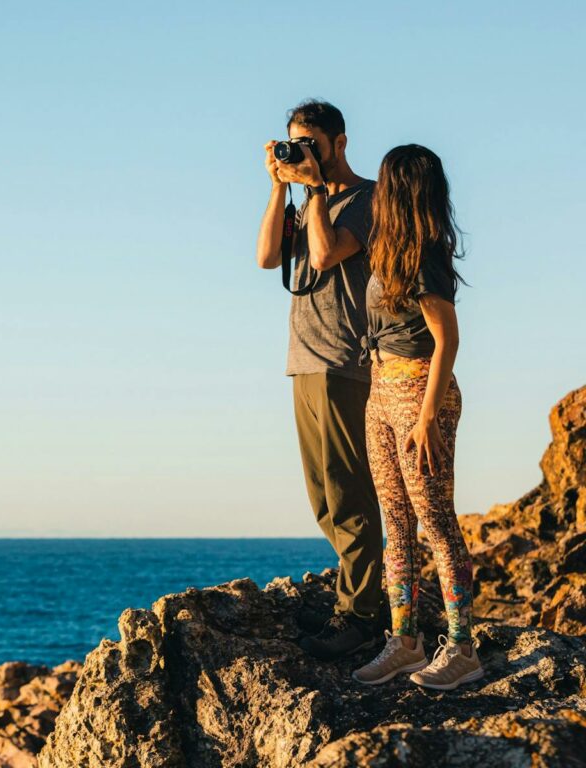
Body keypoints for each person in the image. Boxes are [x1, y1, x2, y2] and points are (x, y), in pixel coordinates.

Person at [256, 100, 386, 660]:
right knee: (323, 498)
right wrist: (278, 189)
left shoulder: (370, 200)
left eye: (311, 143)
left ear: (340, 143)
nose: (303, 152)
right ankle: (363, 595)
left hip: (345, 359)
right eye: (295, 143)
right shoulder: (308, 201)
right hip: (304, 360)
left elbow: (327, 253)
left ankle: (361, 616)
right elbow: (267, 257)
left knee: (349, 492)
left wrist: (313, 192)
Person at [351, 144, 482, 690]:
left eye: (385, 183)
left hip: (419, 394)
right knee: (397, 522)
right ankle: (404, 642)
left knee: (435, 521)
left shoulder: (425, 253)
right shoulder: (388, 250)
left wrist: (427, 416)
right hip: (381, 392)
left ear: (399, 190)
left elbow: (447, 337)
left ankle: (463, 649)